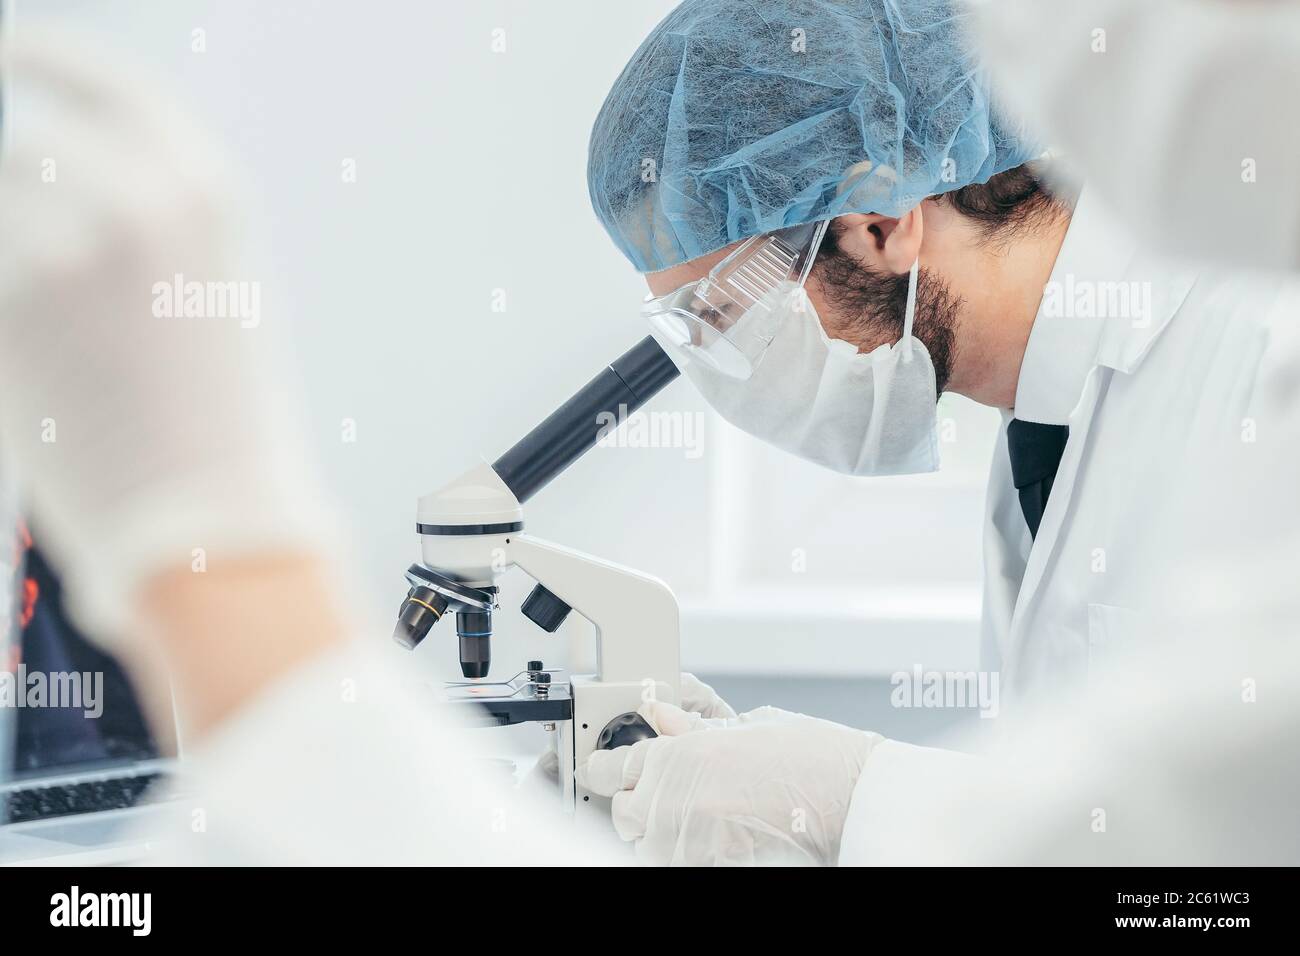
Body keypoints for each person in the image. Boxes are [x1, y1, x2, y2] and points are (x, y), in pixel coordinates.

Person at [580, 0, 1300, 865]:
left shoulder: (1258, 355)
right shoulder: (1041, 415)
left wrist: (856, 800)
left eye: (727, 312)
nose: (728, 364)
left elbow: (1221, 874)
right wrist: (764, 782)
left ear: (880, 225)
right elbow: (1102, 785)